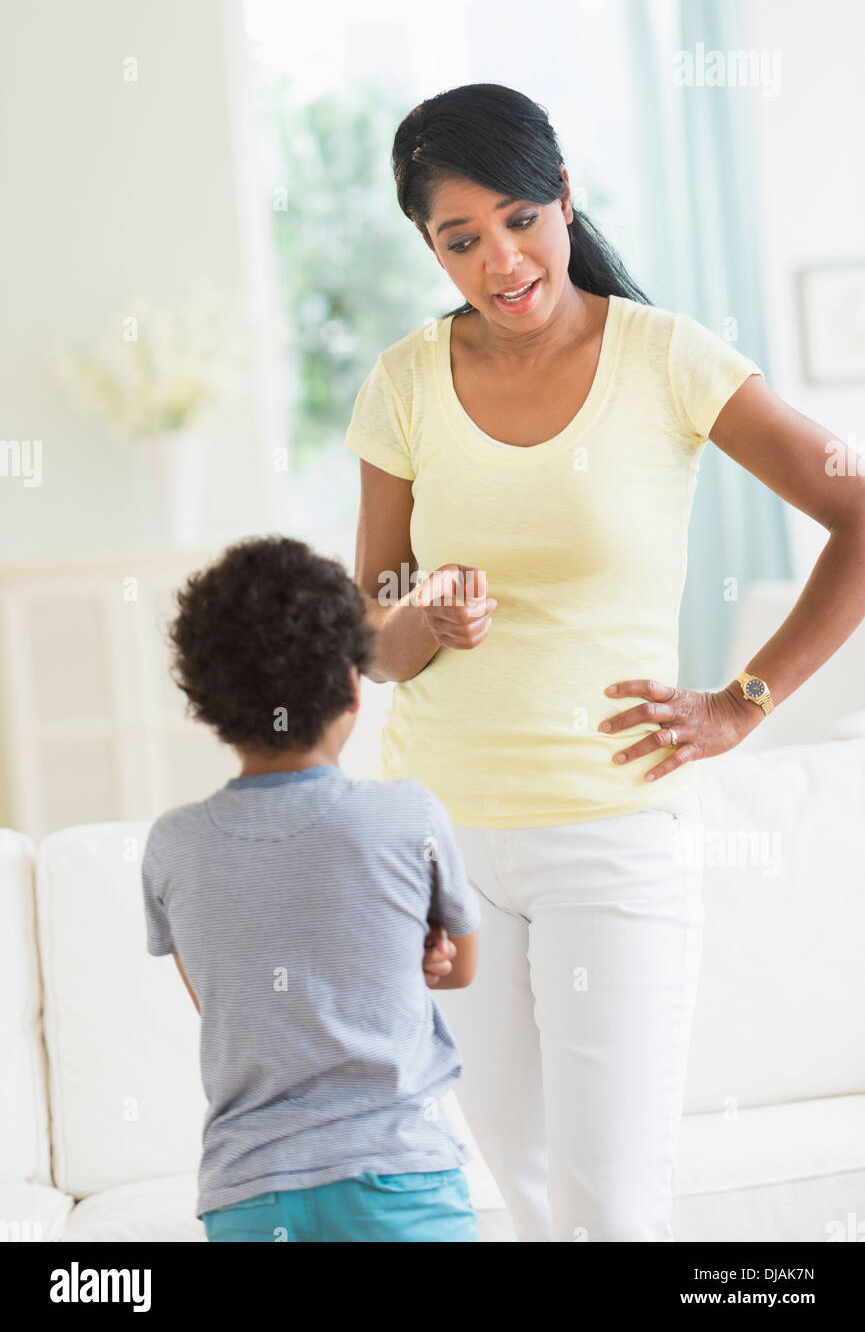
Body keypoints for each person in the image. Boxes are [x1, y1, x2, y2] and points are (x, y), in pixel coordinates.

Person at [343, 82, 865, 1241]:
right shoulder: (403, 382)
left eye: (520, 218)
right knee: (530, 1202)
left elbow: (857, 513)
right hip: (440, 840)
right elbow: (371, 638)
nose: (500, 260)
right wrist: (426, 614)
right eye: (459, 239)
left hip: (612, 836)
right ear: (427, 245)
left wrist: (741, 705)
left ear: (565, 198)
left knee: (611, 1214)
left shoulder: (668, 358)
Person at [140, 535, 482, 1242]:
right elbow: (460, 969)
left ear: (208, 702)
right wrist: (413, 954)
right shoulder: (408, 815)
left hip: (250, 1194)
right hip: (400, 1177)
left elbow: (226, 999)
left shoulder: (173, 845)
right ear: (353, 685)